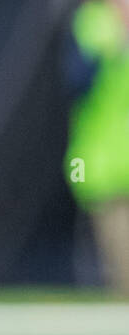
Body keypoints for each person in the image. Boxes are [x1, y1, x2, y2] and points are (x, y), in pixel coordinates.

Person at [66, 0, 129, 295]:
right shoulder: (91, 25)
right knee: (123, 268)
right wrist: (115, 47)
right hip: (109, 174)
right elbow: (75, 81)